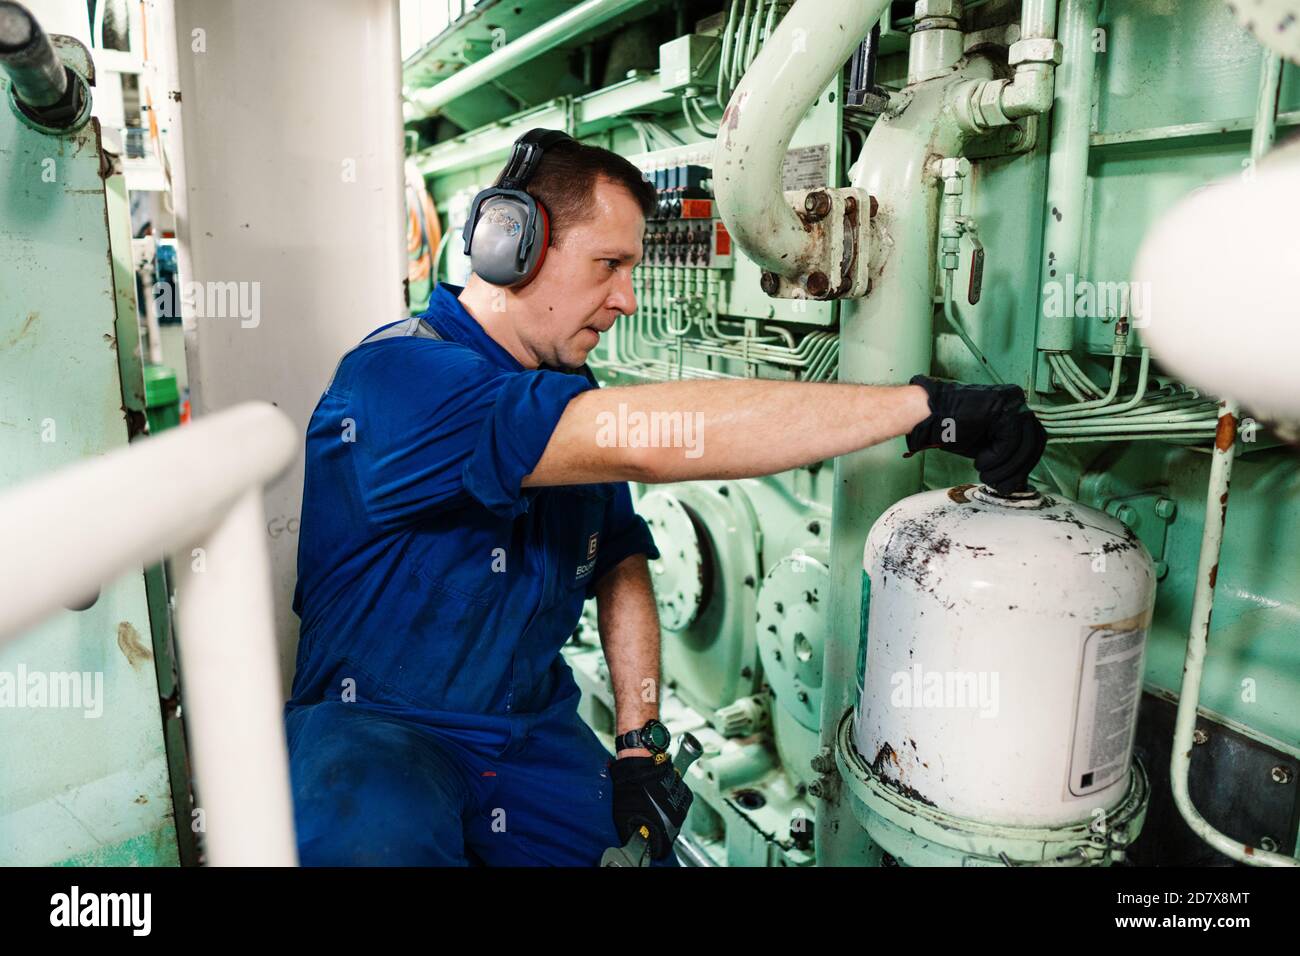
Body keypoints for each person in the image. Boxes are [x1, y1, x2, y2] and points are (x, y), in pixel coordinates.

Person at [283, 129, 1046, 866]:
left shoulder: (565, 391)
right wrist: (923, 408)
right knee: (367, 846)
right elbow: (652, 440)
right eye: (609, 264)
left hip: (522, 727)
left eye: (633, 269)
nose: (627, 299)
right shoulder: (399, 381)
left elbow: (617, 560)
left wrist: (638, 741)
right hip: (380, 728)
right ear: (510, 247)